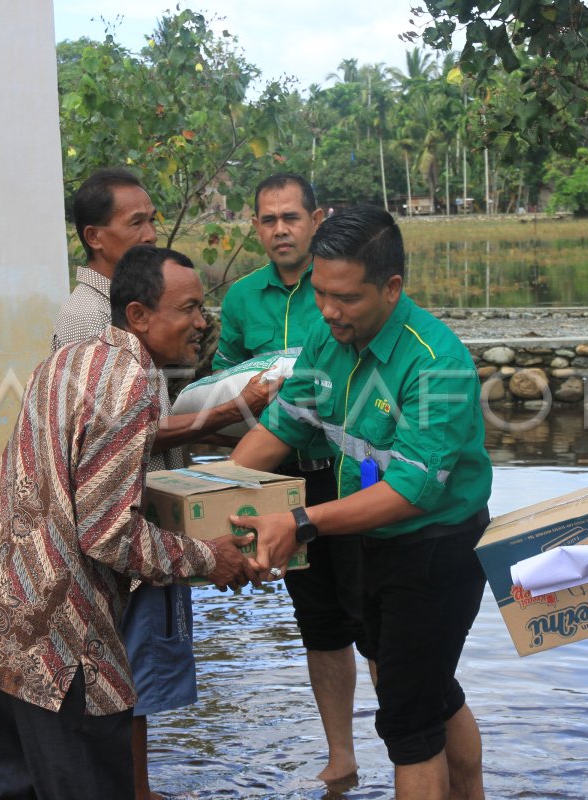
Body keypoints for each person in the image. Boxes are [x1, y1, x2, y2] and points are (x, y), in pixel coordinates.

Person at [0, 246, 255, 799]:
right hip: (59, 651)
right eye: (188, 309)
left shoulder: (67, 362)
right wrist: (212, 557)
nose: (202, 323)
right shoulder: (131, 383)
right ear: (138, 316)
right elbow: (109, 534)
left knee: (15, 791)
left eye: (201, 308)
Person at [229, 205, 492, 800]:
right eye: (320, 292)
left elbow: (411, 491)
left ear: (392, 287)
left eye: (345, 297)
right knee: (431, 690)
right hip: (369, 542)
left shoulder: (435, 362)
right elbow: (284, 428)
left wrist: (301, 521)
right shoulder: (328, 339)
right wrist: (210, 491)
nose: (327, 310)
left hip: (434, 552)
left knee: (408, 721)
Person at [57, 168, 275, 800]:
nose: (151, 232)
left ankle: (139, 788)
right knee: (118, 672)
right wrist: (232, 412)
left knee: (134, 675)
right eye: (138, 223)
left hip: (136, 520)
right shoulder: (91, 326)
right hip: (116, 529)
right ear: (95, 237)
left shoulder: (126, 316)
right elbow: (133, 440)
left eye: (154, 219)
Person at [214, 173, 370, 784]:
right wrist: (254, 399)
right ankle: (342, 755)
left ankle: (406, 740)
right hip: (280, 480)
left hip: (351, 474)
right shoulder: (242, 299)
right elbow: (221, 384)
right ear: (256, 227)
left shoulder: (342, 285)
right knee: (319, 621)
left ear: (316, 219)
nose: (280, 229)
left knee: (375, 617)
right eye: (268, 220)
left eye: (291, 217)